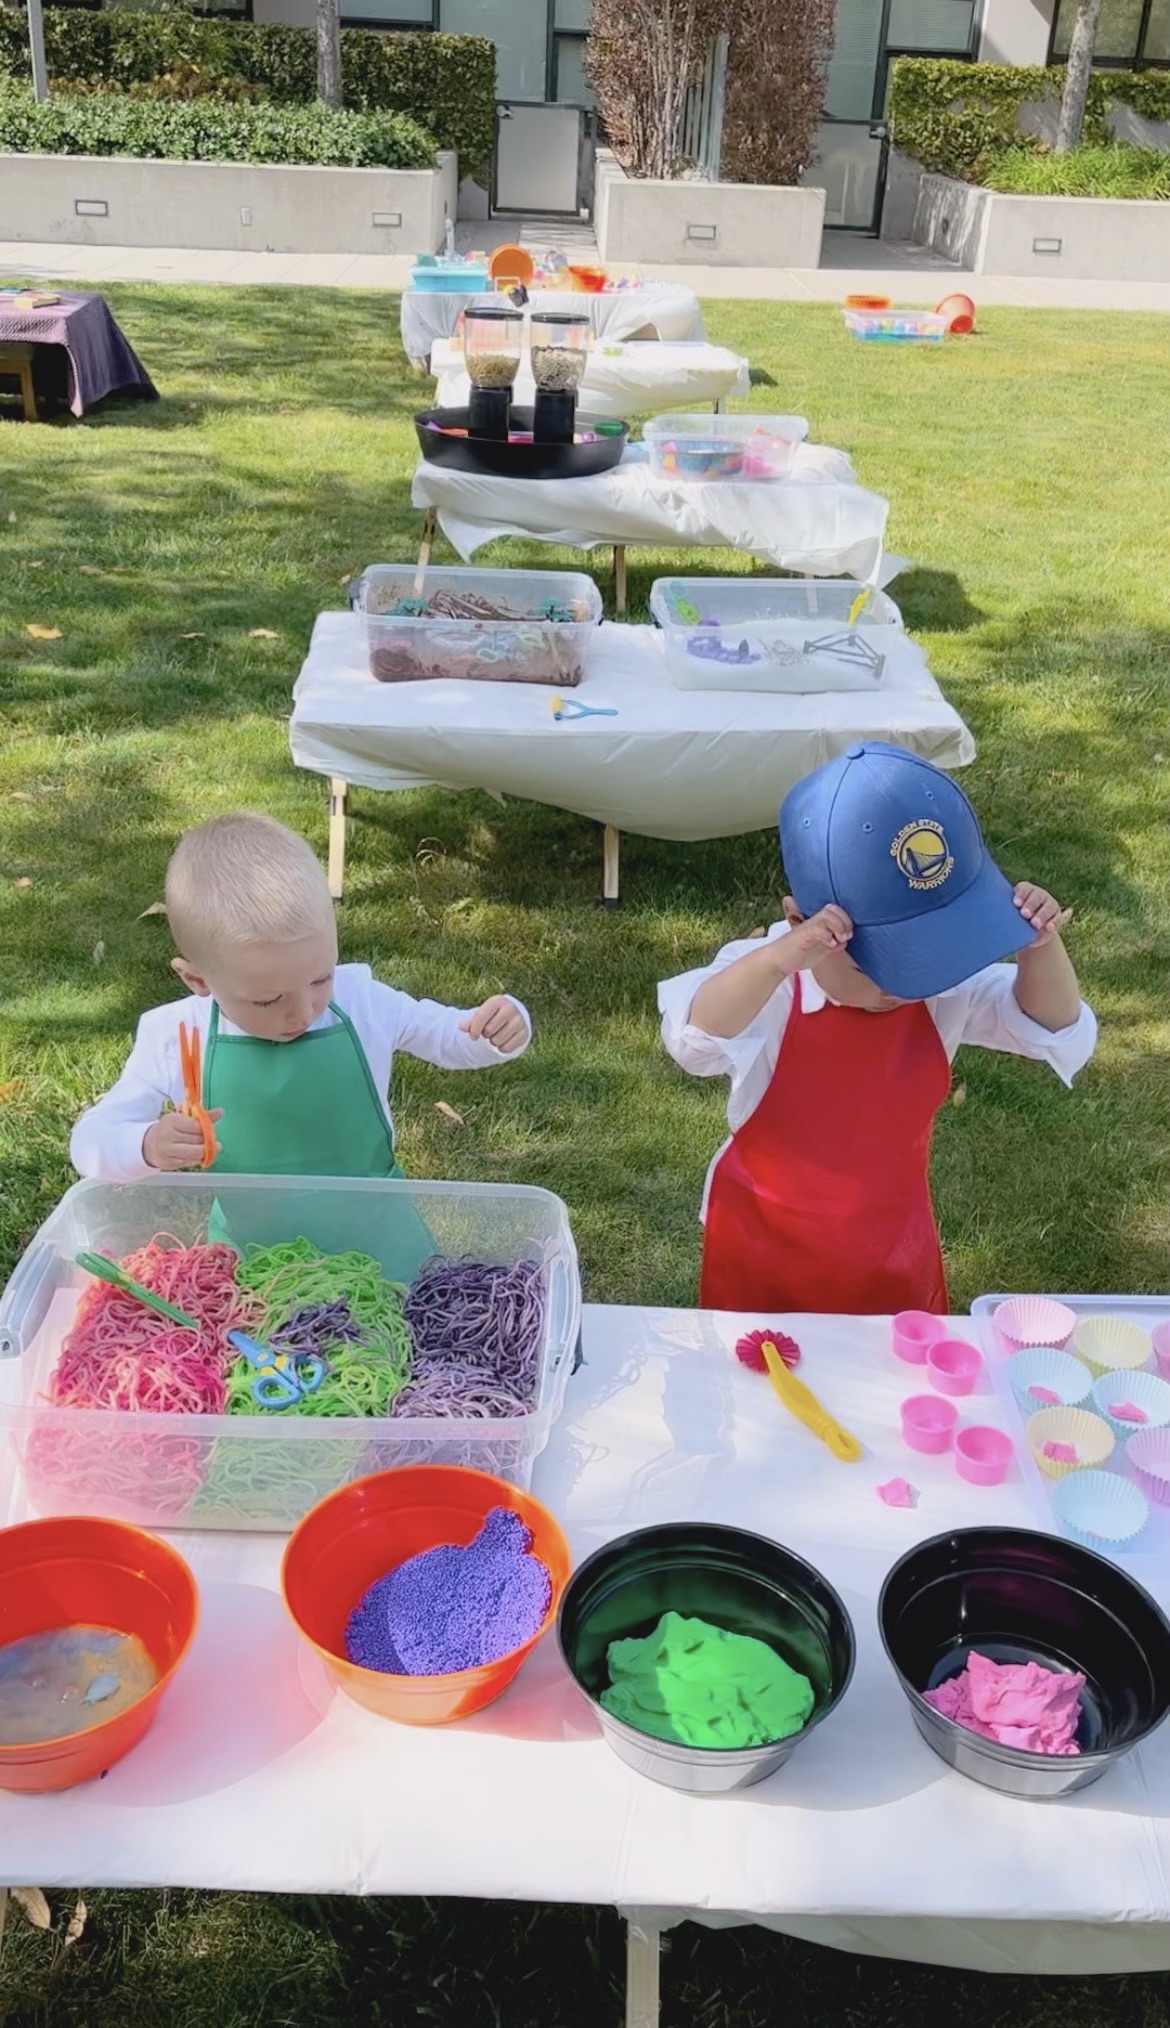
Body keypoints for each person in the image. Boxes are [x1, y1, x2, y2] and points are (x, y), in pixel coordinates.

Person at [658, 742, 1096, 1316]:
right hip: (764, 1249)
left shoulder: (942, 979)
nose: (905, 985)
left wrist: (1040, 946)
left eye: (925, 959)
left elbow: (1053, 1028)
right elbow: (693, 1040)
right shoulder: (770, 975)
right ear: (801, 925)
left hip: (891, 1245)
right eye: (879, 965)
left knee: (894, 1391)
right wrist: (773, 962)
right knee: (766, 1389)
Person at [71, 812, 531, 1183]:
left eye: (319, 978)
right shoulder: (176, 1036)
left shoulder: (361, 1000)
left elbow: (450, 1036)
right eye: (268, 1000)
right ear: (197, 981)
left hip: (377, 1225)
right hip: (252, 1255)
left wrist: (498, 1028)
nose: (304, 1011)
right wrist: (145, 1145)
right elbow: (91, 1141)